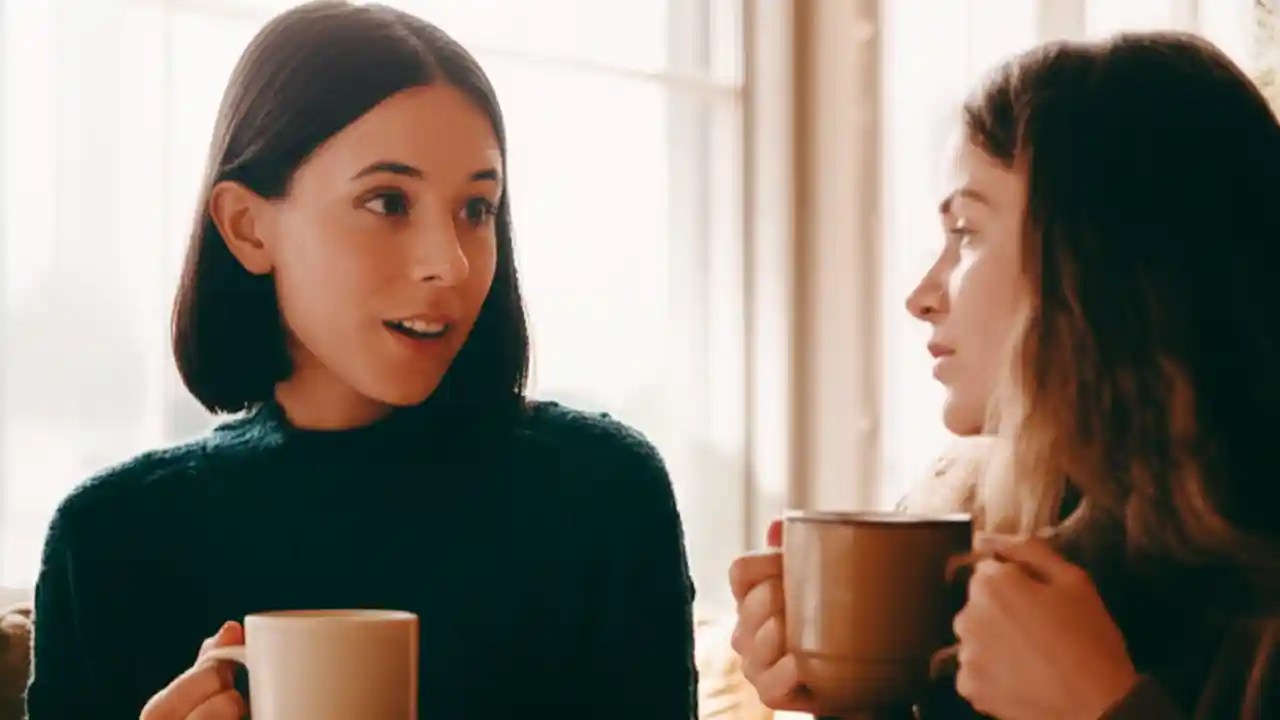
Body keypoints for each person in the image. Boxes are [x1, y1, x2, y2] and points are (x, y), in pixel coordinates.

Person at [26, 2, 696, 718]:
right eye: (387, 201)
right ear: (248, 228)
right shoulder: (109, 542)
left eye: (477, 208)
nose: (452, 263)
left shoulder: (602, 495)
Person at [730, 31, 1280, 719]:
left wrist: (1102, 707)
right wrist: (854, 694)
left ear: (1102, 267)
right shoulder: (985, 545)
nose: (922, 296)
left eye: (966, 234)